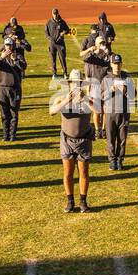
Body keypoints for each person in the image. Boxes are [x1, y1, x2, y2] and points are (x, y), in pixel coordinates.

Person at [50, 69, 99, 211]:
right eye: (73, 83)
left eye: (78, 84)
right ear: (69, 84)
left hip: (83, 140)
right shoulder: (61, 97)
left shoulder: (87, 98)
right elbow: (52, 111)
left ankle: (83, 201)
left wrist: (85, 99)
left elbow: (99, 110)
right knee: (68, 172)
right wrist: (67, 100)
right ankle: (70, 201)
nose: (75, 86)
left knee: (83, 172)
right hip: (66, 140)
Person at [100, 54, 135, 171]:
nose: (117, 66)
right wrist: (110, 90)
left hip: (124, 112)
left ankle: (120, 160)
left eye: (119, 63)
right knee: (110, 138)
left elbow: (133, 95)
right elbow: (100, 96)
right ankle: (112, 160)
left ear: (121, 64)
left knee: (122, 139)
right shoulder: (106, 79)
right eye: (115, 63)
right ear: (111, 64)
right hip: (110, 113)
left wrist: (127, 90)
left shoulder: (127, 78)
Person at [0, 36, 27, 142]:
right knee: (4, 113)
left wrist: (15, 60)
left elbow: (24, 67)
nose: (8, 47)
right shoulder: (0, 58)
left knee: (13, 112)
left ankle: (13, 135)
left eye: (10, 45)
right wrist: (1, 58)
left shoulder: (18, 56)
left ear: (13, 46)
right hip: (2, 88)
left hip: (14, 88)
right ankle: (5, 134)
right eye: (6, 45)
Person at [78, 34, 112, 135]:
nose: (102, 45)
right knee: (97, 110)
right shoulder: (93, 55)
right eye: (100, 43)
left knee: (106, 110)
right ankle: (97, 130)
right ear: (96, 45)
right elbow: (84, 59)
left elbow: (115, 62)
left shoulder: (108, 55)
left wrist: (108, 54)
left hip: (106, 85)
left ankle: (104, 129)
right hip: (95, 85)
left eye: (103, 43)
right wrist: (93, 50)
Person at [45, 7, 71, 78]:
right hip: (52, 44)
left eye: (56, 14)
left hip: (60, 44)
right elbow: (46, 34)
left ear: (58, 13)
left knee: (62, 58)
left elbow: (68, 30)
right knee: (53, 59)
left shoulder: (62, 22)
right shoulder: (48, 22)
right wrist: (51, 39)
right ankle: (54, 73)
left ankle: (65, 73)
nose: (55, 15)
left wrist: (64, 32)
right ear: (52, 14)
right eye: (54, 14)